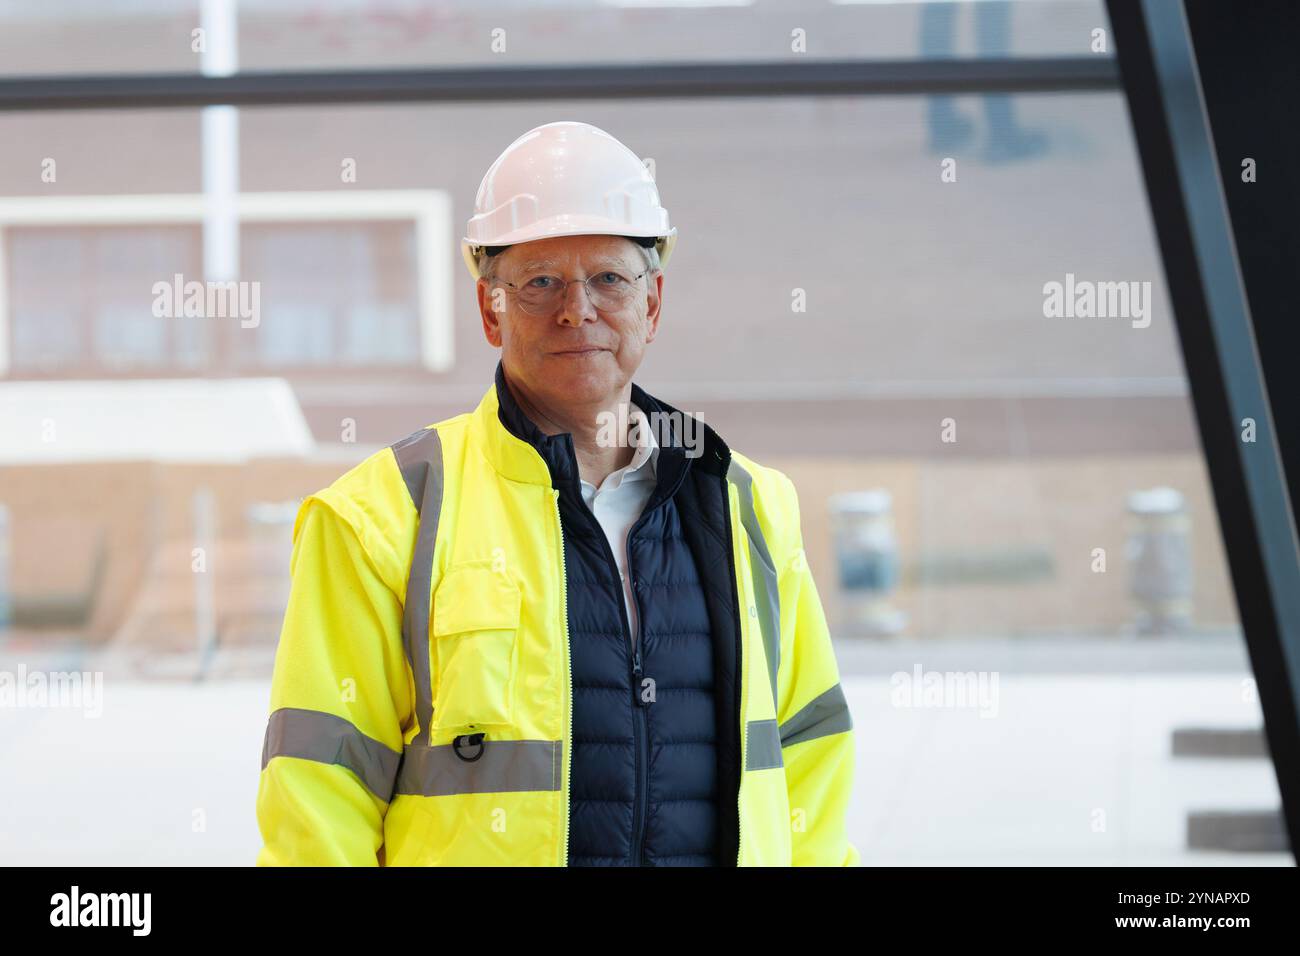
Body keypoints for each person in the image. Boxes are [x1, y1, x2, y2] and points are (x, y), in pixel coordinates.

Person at [255, 120, 858, 866]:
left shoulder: (747, 506)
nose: (578, 309)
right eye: (540, 282)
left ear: (653, 303)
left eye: (609, 279)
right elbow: (317, 796)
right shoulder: (381, 516)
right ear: (491, 310)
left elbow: (810, 755)